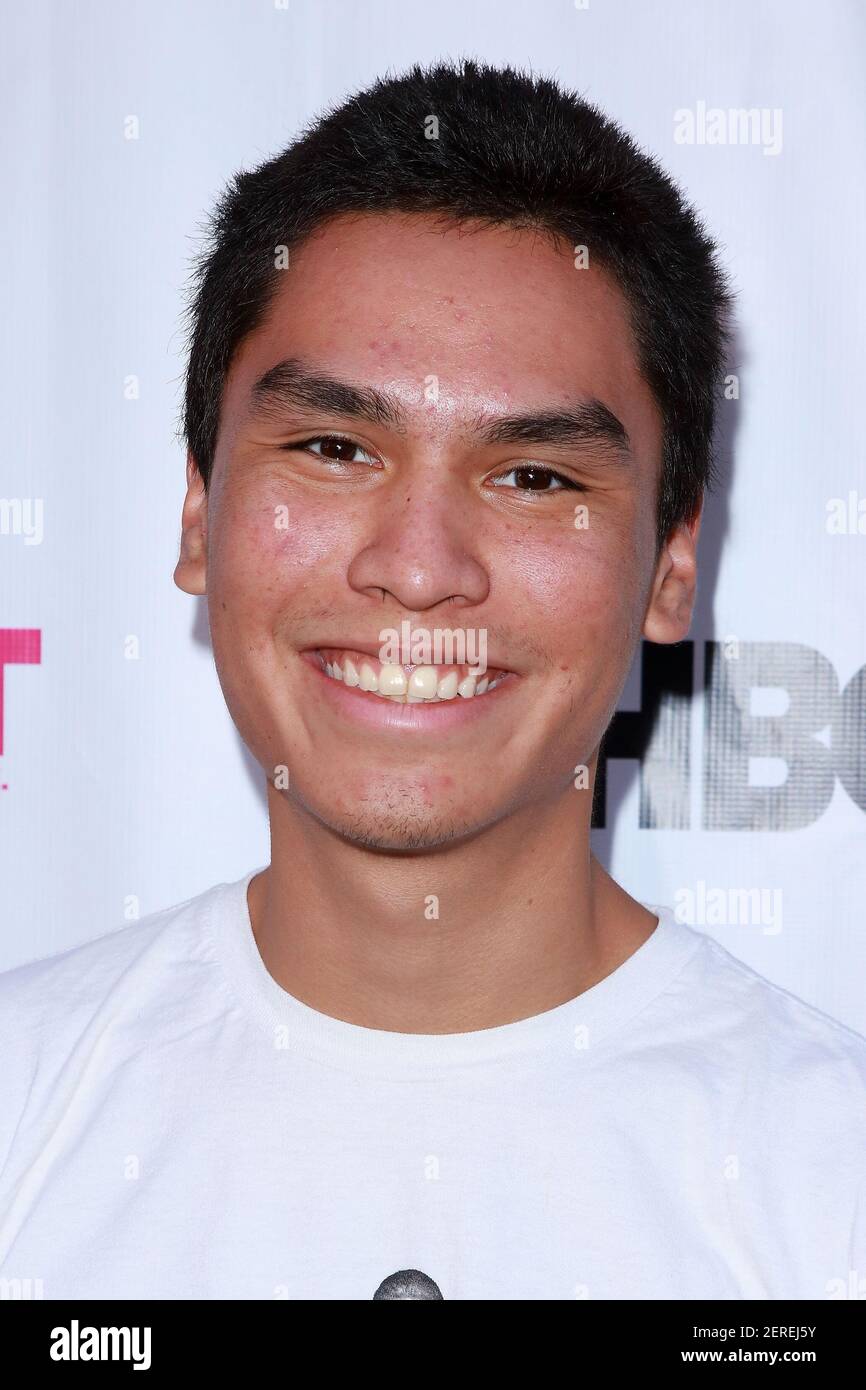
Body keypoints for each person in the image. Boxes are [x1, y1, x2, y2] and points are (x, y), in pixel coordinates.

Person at [1, 58, 863, 1302]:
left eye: (534, 476)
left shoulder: (823, 1192)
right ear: (199, 512)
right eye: (335, 447)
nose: (417, 569)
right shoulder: (29, 1111)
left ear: (673, 566)